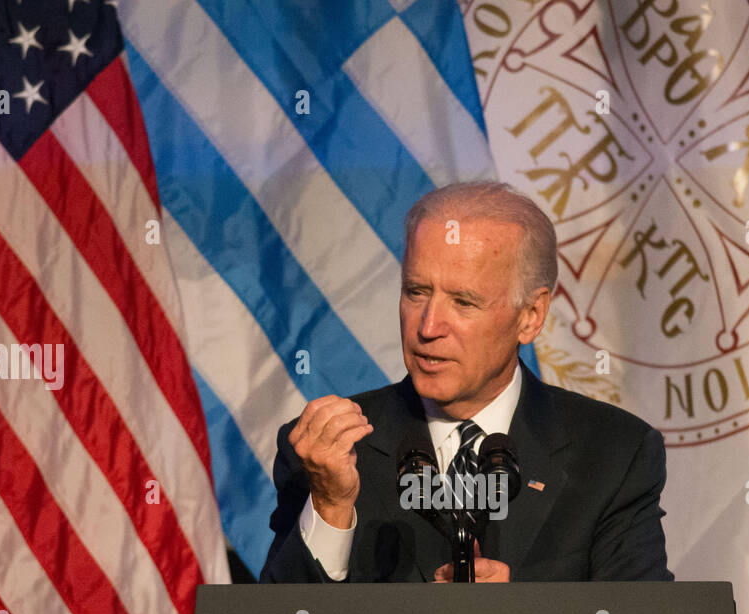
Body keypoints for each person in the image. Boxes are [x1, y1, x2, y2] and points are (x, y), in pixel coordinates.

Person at [259, 181, 673, 583]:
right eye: (417, 292)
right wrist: (331, 505)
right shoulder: (328, 454)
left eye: (463, 301)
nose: (428, 327)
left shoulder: (614, 456)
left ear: (530, 316)